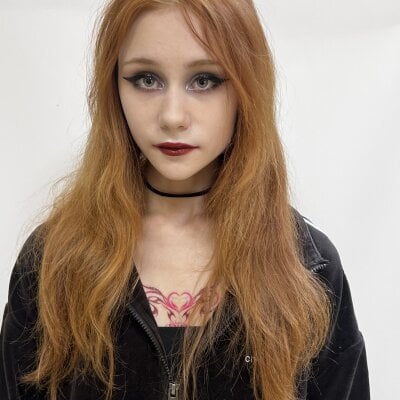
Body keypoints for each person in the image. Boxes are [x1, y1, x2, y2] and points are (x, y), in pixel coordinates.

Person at [0, 1, 370, 399]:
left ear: (247, 86)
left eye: (204, 80)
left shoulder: (308, 268)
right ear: (113, 87)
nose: (173, 116)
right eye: (146, 79)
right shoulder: (53, 262)